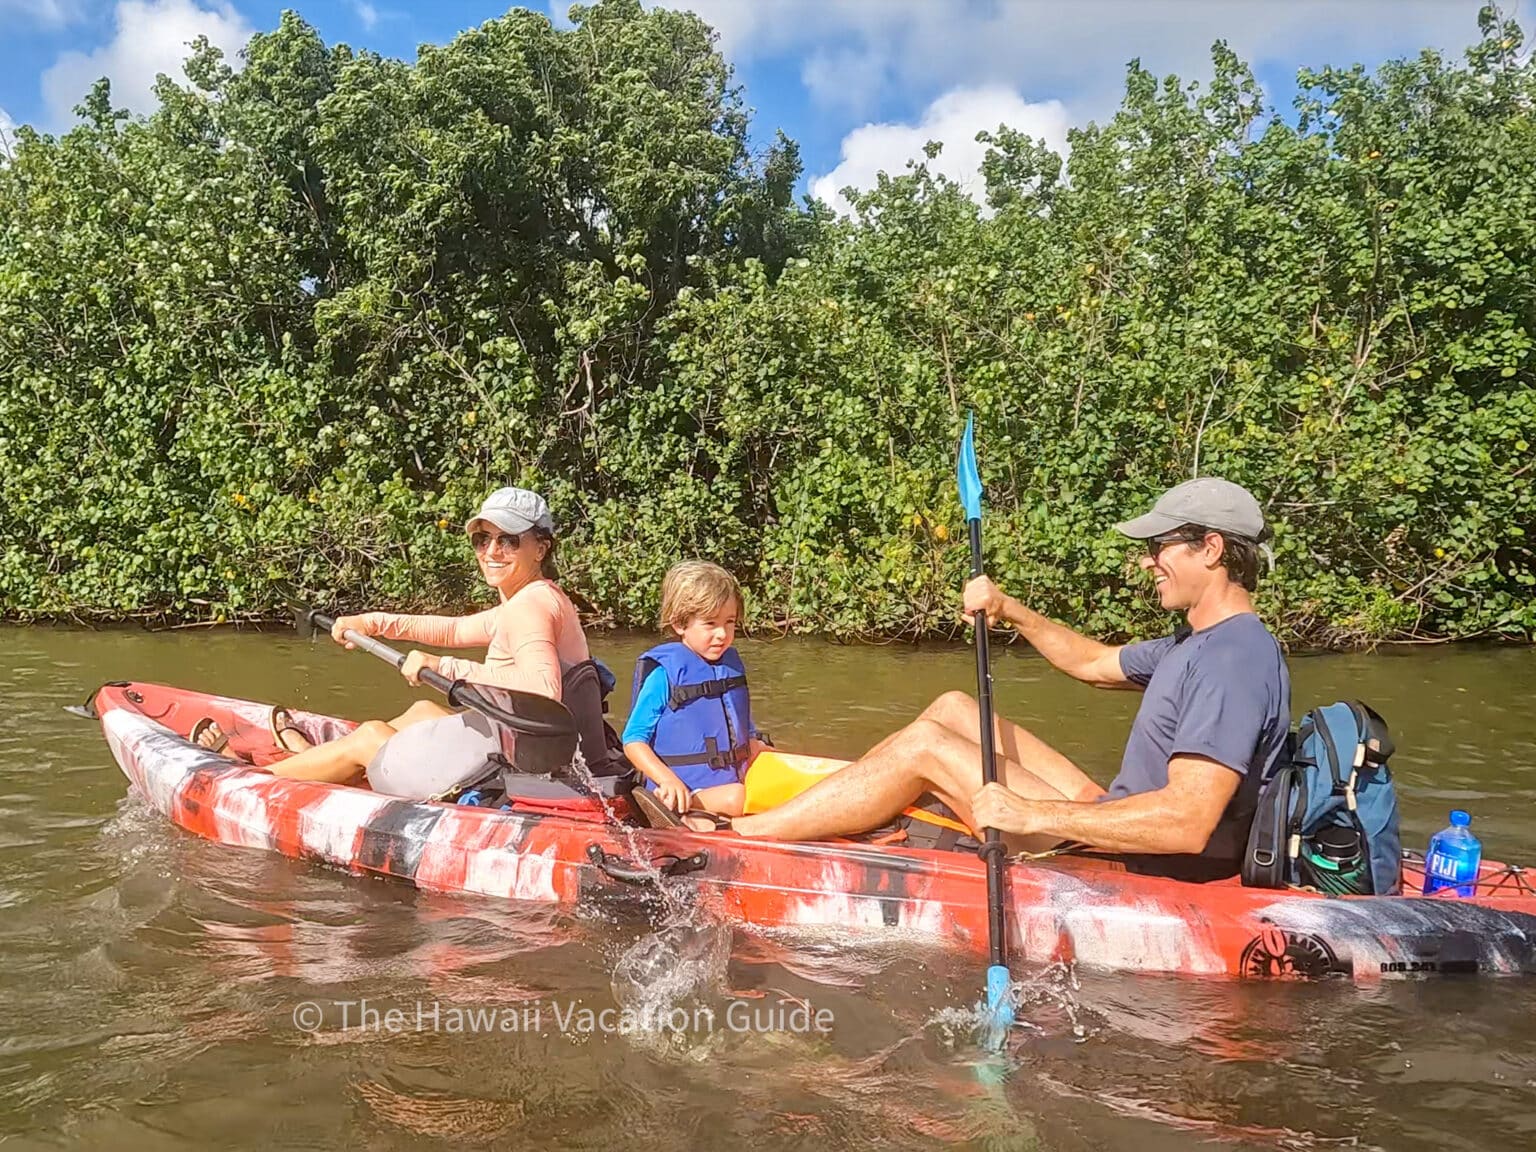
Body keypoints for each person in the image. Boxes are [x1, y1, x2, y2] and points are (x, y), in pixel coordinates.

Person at [692, 478, 1291, 882]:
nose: (1146, 560)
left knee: (926, 747)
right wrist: (1008, 609)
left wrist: (1032, 815)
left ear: (1211, 549)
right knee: (954, 708)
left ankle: (741, 835)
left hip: (1134, 855)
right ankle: (849, 815)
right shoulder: (1197, 641)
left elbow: (1187, 822)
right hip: (1114, 812)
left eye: (1160, 546)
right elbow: (1091, 663)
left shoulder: (1232, 660)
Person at [193, 487, 594, 798]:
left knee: (370, 736)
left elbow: (542, 690)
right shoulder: (536, 598)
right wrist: (373, 622)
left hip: (517, 761)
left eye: (508, 540)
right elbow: (452, 631)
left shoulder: (531, 607)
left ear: (541, 548)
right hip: (519, 747)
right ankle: (306, 759)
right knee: (422, 710)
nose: (490, 551)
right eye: (482, 539)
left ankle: (245, 783)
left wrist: (444, 666)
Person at [622, 560, 769, 825]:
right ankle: (678, 811)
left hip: (727, 782)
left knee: (778, 769)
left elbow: (745, 732)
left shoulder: (729, 668)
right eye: (710, 623)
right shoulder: (664, 676)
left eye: (730, 622)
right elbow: (633, 740)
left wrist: (759, 749)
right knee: (737, 797)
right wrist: (668, 780)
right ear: (680, 623)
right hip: (682, 789)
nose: (722, 634)